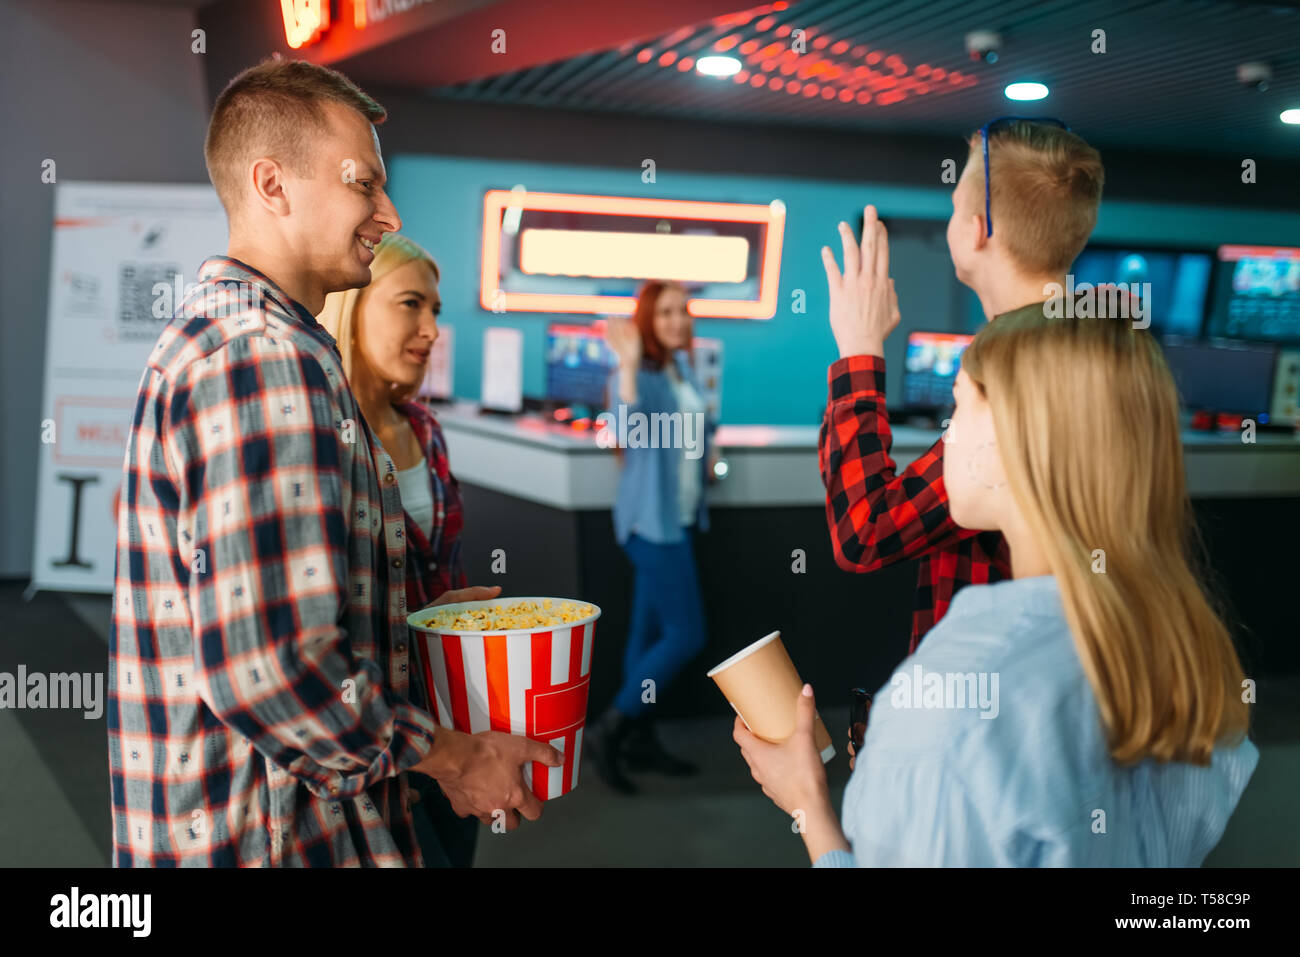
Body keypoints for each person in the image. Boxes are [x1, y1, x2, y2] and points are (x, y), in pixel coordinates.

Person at [108, 57, 560, 867]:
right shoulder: (259, 357)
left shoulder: (239, 338)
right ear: (272, 185)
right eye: (364, 185)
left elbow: (267, 612)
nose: (387, 212)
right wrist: (458, 759)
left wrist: (403, 612)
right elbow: (271, 668)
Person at [735, 301, 1259, 866]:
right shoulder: (1188, 654)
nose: (945, 442)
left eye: (957, 409)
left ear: (1015, 440)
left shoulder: (948, 705)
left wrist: (807, 803)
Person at [818, 119, 1106, 668]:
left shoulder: (1019, 374)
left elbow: (864, 534)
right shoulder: (1096, 351)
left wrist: (858, 348)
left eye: (953, 207)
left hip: (991, 694)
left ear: (975, 230)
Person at [317, 232, 479, 867]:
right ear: (355, 304)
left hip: (450, 722)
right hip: (367, 732)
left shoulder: (426, 429)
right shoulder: (322, 431)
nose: (431, 329)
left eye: (436, 311)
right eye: (410, 304)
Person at [585, 281, 717, 793]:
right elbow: (627, 428)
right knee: (687, 635)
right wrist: (628, 364)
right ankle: (611, 727)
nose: (678, 320)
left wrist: (705, 449)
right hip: (651, 525)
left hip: (677, 518)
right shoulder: (638, 372)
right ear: (646, 320)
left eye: (682, 310)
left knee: (646, 634)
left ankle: (639, 737)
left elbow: (693, 427)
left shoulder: (680, 367)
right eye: (665, 312)